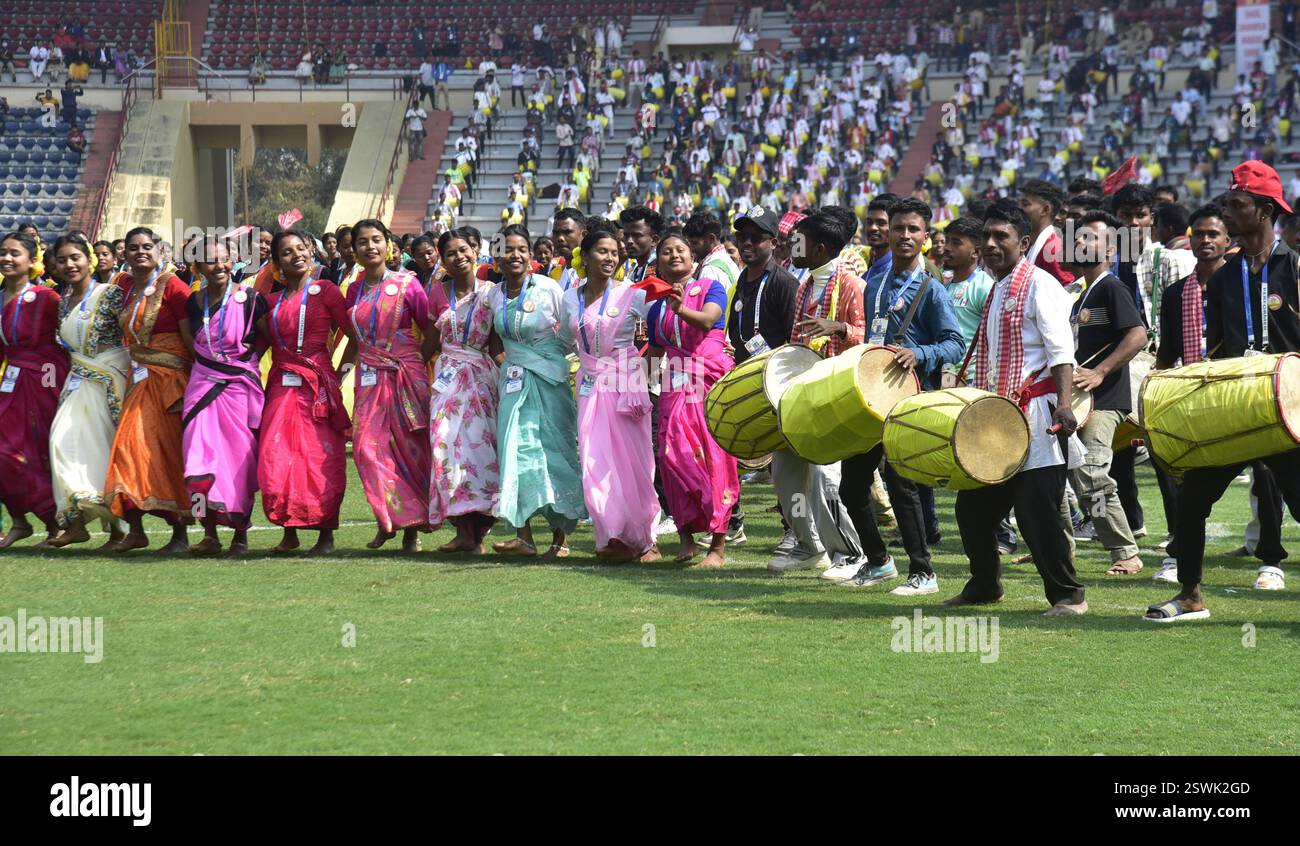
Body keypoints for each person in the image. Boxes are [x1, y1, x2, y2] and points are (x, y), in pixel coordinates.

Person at [1146, 162, 1300, 621]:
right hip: (1238, 407)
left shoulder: (1295, 266)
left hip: (1288, 408)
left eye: (1238, 206)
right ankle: (1191, 596)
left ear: (1266, 210)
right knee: (1192, 499)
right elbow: (1217, 344)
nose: (1228, 214)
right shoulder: (1226, 275)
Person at [946, 200, 1089, 617]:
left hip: (1040, 418)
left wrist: (1065, 406)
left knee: (1037, 513)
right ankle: (985, 585)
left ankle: (1069, 597)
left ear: (1023, 242)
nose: (990, 244)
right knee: (972, 510)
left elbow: (1061, 351)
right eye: (985, 237)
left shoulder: (1041, 285)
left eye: (1000, 237)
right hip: (999, 422)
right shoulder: (999, 288)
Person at [836, 199, 964, 594]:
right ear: (888, 233)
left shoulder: (932, 288)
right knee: (851, 484)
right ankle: (879, 562)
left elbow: (955, 343)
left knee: (902, 484)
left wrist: (920, 353)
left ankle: (923, 572)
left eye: (913, 230)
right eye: (898, 229)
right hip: (871, 396)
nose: (904, 236)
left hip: (909, 397)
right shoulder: (874, 283)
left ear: (926, 238)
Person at [560, 229, 660, 562]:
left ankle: (647, 538)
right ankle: (613, 533)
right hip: (589, 384)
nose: (610, 258)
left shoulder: (631, 294)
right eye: (602, 252)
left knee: (635, 461)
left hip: (626, 385)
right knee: (594, 460)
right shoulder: (570, 298)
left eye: (615, 252)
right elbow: (562, 340)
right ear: (584, 256)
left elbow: (662, 329)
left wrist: (651, 374)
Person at [487, 225, 586, 558]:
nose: (515, 255)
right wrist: (510, 363)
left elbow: (571, 333)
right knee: (516, 451)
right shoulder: (494, 294)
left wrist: (548, 359)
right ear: (497, 257)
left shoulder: (548, 287)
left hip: (550, 380)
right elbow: (495, 340)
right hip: (514, 382)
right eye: (507, 250)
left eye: (521, 249)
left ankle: (561, 539)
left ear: (530, 254)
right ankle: (524, 536)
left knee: (554, 453)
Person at [1150, 203, 1232, 584]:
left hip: (1236, 396)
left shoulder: (1238, 284)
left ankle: (1271, 561)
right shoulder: (1176, 292)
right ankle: (1179, 555)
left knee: (1267, 476)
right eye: (1199, 234)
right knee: (1181, 476)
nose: (1205, 241)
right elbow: (1168, 352)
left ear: (1227, 239)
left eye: (1213, 234)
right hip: (1191, 397)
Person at [1062, 211, 1148, 576]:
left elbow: (1138, 335)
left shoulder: (1112, 287)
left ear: (1111, 247)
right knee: (1057, 476)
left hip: (1105, 400)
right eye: (1078, 238)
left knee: (1091, 473)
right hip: (1078, 401)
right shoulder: (1081, 294)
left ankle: (1125, 552)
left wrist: (1100, 371)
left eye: (1091, 238)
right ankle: (1057, 548)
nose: (1081, 243)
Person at [257, 230, 353, 555]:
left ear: (310, 251)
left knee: (321, 457)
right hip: (282, 386)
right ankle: (289, 530)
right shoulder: (270, 302)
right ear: (277, 262)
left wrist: (340, 373)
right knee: (278, 456)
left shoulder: (326, 290)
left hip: (318, 385)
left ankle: (326, 534)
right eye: (287, 252)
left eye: (301, 248)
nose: (296, 254)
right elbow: (257, 347)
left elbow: (353, 334)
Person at [646, 230, 738, 567]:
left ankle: (718, 545)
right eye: (666, 251)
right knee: (672, 456)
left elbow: (710, 320)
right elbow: (655, 352)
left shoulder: (710, 287)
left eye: (680, 249)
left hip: (709, 377)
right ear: (659, 262)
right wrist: (639, 387)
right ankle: (686, 538)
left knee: (714, 456)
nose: (674, 255)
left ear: (692, 256)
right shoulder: (656, 305)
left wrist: (681, 307)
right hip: (674, 383)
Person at [340, 219, 433, 554]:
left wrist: (414, 362)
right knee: (366, 449)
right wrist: (341, 372)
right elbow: (354, 339)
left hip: (406, 377)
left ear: (388, 244)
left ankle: (409, 532)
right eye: (362, 242)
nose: (370, 247)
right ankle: (386, 518)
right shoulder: (353, 289)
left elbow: (430, 328)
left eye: (376, 240)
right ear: (354, 249)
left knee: (409, 451)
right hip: (368, 378)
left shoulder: (408, 284)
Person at [102, 227, 196, 554]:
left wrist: (196, 383)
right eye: (133, 247)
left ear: (159, 251)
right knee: (127, 449)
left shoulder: (174, 287)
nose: (140, 251)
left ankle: (180, 535)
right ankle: (136, 529)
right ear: (124, 254)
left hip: (169, 381)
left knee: (167, 455)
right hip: (137, 379)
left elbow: (189, 340)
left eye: (147, 246)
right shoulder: (122, 287)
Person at [182, 237, 269, 556]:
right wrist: (213, 365)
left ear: (233, 261)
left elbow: (265, 337)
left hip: (239, 390)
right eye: (210, 260)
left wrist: (242, 366)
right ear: (199, 267)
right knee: (197, 456)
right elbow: (189, 340)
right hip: (202, 387)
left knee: (238, 462)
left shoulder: (251, 298)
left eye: (223, 259)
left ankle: (239, 535)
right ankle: (208, 533)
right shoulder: (194, 301)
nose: (218, 266)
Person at [46, 235, 128, 549]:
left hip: (109, 379)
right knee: (61, 441)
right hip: (78, 380)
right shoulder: (62, 300)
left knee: (105, 451)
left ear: (89, 259)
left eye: (75, 258)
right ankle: (76, 523)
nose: (69, 265)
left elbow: (130, 334)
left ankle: (119, 530)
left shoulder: (111, 295)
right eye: (63, 260)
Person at [423, 229, 498, 554]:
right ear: (443, 259)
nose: (459, 257)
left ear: (476, 250)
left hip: (481, 381)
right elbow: (428, 342)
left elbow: (497, 342)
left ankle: (477, 533)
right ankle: (461, 530)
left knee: (481, 453)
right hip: (448, 383)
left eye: (464, 249)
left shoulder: (492, 292)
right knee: (445, 448)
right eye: (450, 253)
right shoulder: (437, 293)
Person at [0, 231, 69, 548]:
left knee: (40, 452)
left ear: (33, 261)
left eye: (15, 253)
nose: (7, 258)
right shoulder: (0, 297)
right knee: (7, 453)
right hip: (11, 382)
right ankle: (20, 521)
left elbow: (68, 339)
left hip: (44, 380)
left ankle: (54, 525)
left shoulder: (47, 297)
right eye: (3, 252)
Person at [1018, 179, 1074, 285]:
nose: (1018, 209)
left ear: (1045, 210)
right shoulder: (1030, 244)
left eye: (1025, 204)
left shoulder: (1052, 250)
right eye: (1019, 204)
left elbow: (1069, 291)